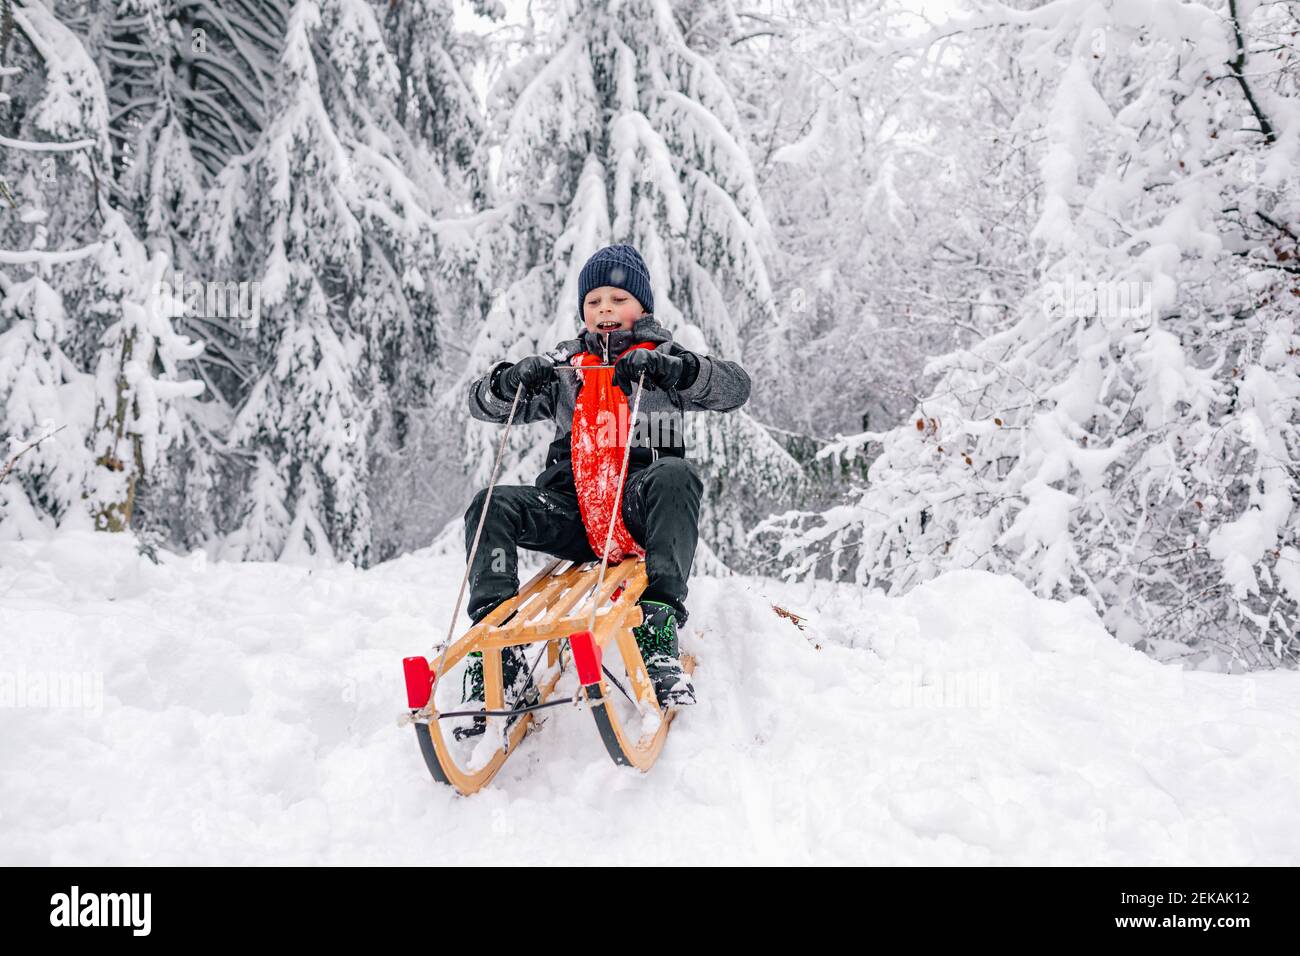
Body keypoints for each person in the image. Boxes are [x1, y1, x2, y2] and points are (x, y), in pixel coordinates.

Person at [461, 243, 751, 716]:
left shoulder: (666, 361)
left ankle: (657, 626)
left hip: (637, 510)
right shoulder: (564, 370)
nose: (605, 310)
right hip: (572, 511)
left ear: (641, 307)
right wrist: (507, 382)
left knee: (676, 475)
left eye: (617, 299)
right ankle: (497, 642)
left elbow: (736, 388)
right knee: (492, 502)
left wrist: (678, 371)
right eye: (594, 302)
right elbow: (481, 406)